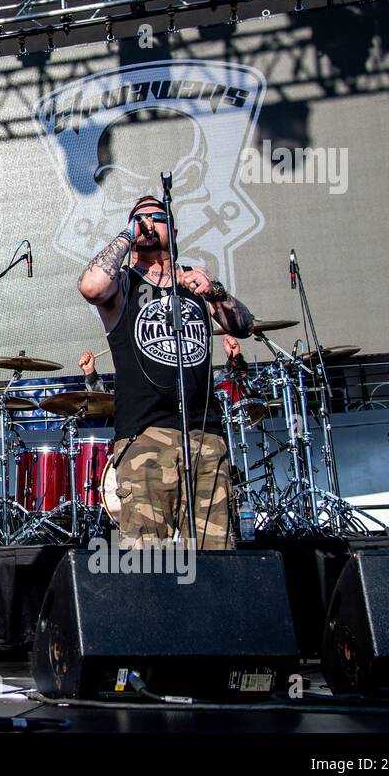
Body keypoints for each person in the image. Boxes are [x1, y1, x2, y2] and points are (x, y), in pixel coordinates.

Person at [77, 195, 256, 551]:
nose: (146, 222)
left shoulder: (195, 283)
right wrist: (128, 235)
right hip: (146, 435)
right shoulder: (123, 283)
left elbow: (244, 326)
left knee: (217, 561)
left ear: (172, 229)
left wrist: (215, 291)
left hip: (205, 434)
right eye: (138, 217)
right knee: (148, 561)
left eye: (156, 216)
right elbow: (91, 286)